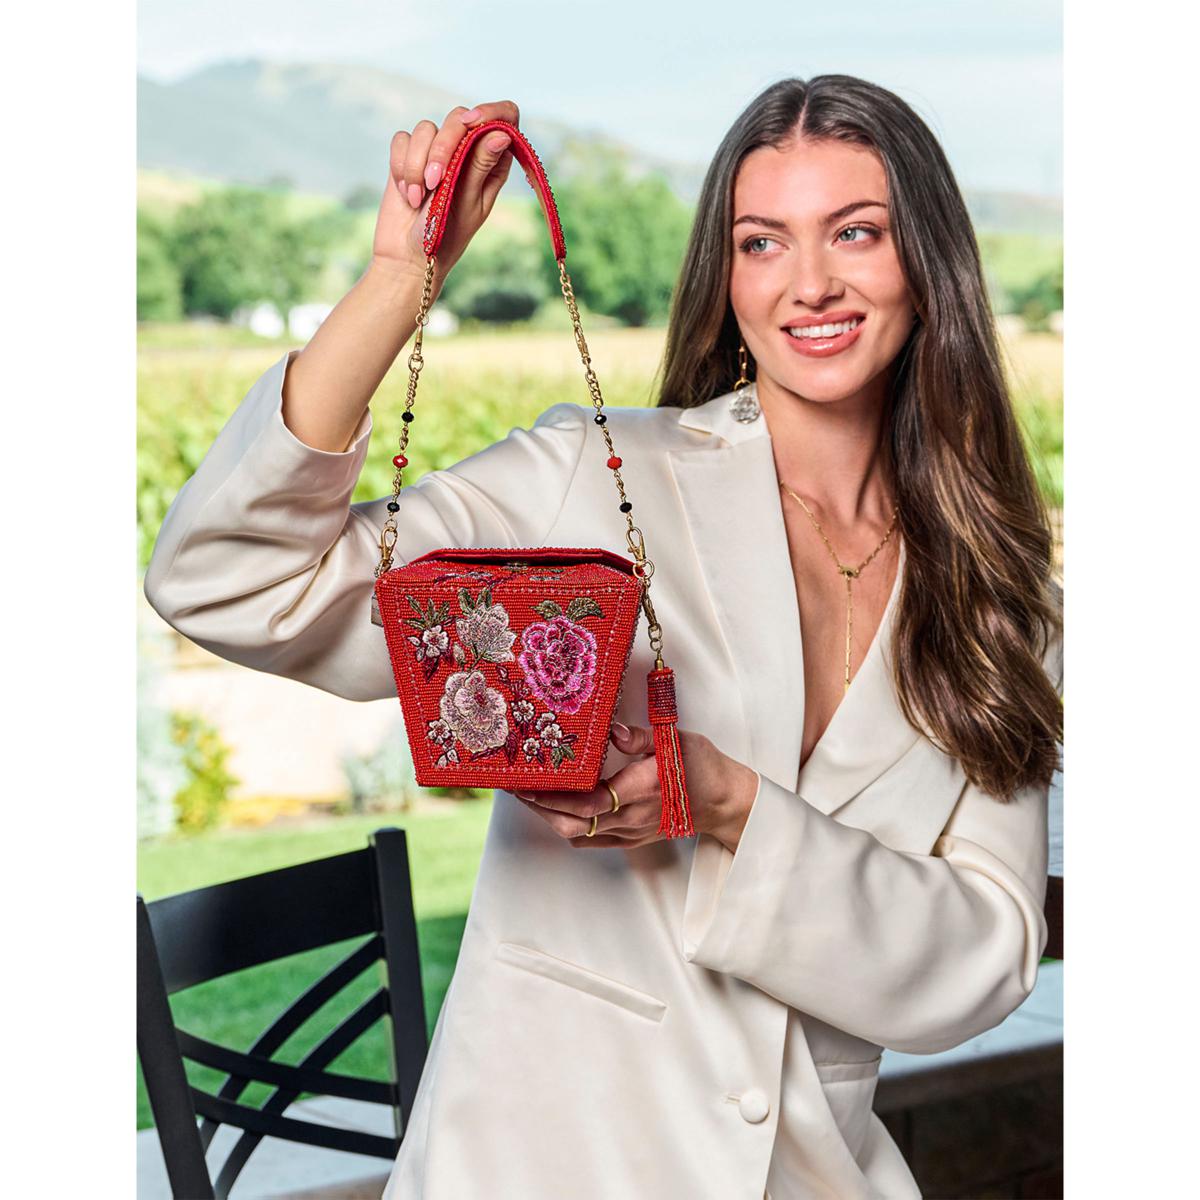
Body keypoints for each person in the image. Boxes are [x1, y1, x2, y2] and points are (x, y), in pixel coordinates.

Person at [143, 75, 1064, 1200]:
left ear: (928, 258)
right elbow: (227, 580)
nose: (810, 282)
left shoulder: (1000, 594)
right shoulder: (590, 475)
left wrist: (728, 804)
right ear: (726, 279)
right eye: (763, 241)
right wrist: (397, 285)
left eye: (856, 232)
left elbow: (986, 958)